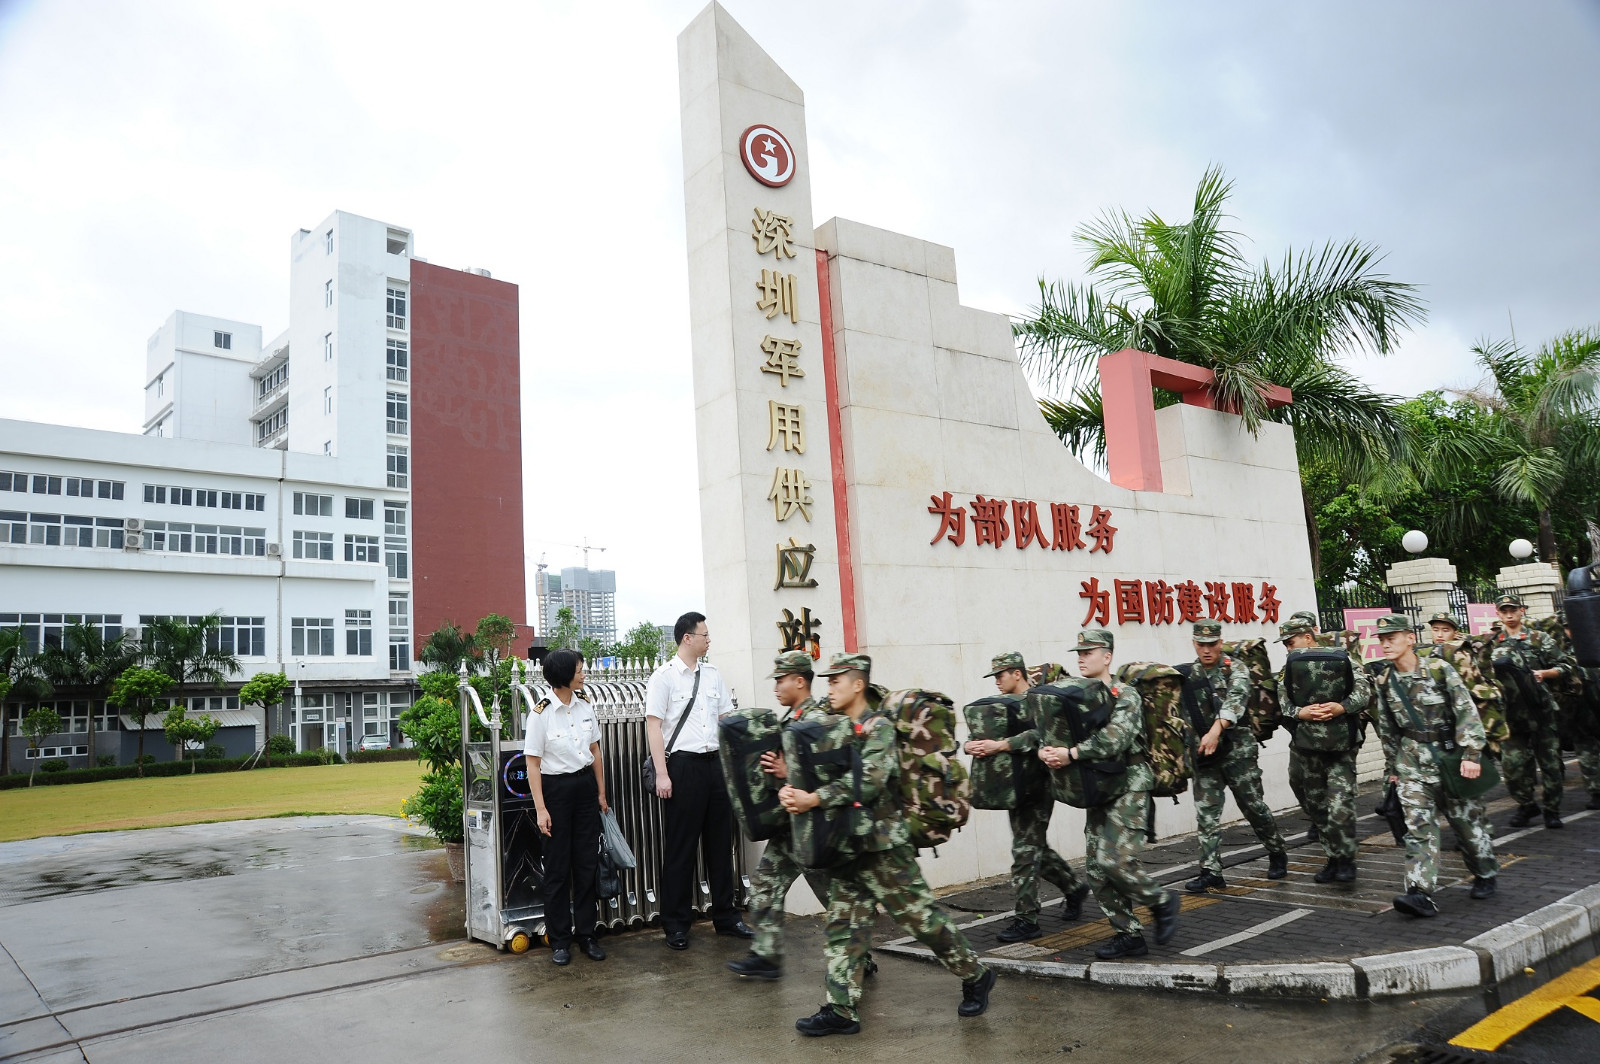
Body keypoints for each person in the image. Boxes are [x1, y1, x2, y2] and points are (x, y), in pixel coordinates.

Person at [779, 652, 993, 1036]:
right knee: (844, 925)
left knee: (923, 921)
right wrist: (792, 785)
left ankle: (975, 973)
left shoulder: (878, 728)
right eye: (827, 681)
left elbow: (870, 782)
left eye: (836, 680)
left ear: (857, 684)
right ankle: (841, 1010)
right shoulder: (838, 726)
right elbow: (823, 773)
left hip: (883, 847)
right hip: (850, 846)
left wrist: (814, 799)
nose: (829, 687)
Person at [1038, 629, 1180, 959]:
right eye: (1079, 652)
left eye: (1089, 652)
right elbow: (1054, 733)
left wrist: (1070, 754)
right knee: (1096, 869)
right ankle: (1128, 933)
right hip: (1100, 785)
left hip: (1130, 783)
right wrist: (1046, 752)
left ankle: (1161, 901)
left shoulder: (1125, 694)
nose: (1081, 657)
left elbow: (1115, 740)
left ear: (1107, 657)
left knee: (1113, 859)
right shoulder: (1080, 695)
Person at [727, 650, 865, 979]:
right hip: (791, 828)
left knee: (835, 899)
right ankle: (766, 955)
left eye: (781, 679)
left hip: (815, 829)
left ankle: (859, 954)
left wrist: (788, 770)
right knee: (765, 884)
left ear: (800, 681)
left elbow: (838, 772)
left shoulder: (821, 720)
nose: (776, 686)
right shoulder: (790, 721)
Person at [1370, 614, 1499, 916]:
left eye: (1392, 637)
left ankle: (1485, 871)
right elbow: (1388, 728)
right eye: (1382, 639)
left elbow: (1466, 711)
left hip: (1449, 760)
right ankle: (1419, 892)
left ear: (1409, 639)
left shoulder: (1440, 670)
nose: (1386, 644)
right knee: (1419, 830)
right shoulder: (1385, 680)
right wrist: (1392, 771)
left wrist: (1471, 754)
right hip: (1411, 766)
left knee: (1467, 825)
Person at [965, 651, 1090, 942]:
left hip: (1039, 784)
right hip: (1013, 786)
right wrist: (971, 746)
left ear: (1017, 673)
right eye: (995, 676)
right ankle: (1073, 887)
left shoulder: (1039, 699)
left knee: (1024, 851)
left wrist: (1000, 746)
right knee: (1034, 848)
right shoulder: (1003, 704)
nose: (997, 680)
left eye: (1001, 674)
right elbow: (987, 735)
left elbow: (1040, 735)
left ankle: (1027, 919)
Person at [645, 612, 752, 949]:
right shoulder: (663, 677)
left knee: (722, 845)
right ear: (687, 638)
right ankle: (675, 924)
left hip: (715, 765)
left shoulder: (713, 675)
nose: (709, 640)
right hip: (683, 767)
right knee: (681, 847)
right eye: (704, 635)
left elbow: (725, 719)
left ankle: (727, 916)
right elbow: (653, 727)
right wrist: (662, 773)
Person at [1182, 621, 1289, 892]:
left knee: (1253, 806)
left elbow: (1235, 701)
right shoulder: (1187, 674)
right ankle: (1211, 871)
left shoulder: (1235, 669)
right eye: (1201, 645)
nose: (1206, 650)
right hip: (1205, 754)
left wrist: (1216, 730)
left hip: (1238, 751)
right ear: (1194, 644)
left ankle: (1276, 849)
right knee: (1206, 813)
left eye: (1211, 644)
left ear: (1220, 642)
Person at [524, 648, 608, 966]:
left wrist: (600, 793)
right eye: (578, 669)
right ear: (562, 675)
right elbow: (532, 765)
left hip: (585, 788)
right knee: (558, 870)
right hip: (556, 792)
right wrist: (541, 809)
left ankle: (587, 934)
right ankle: (560, 940)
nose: (583, 673)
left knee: (587, 865)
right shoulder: (540, 713)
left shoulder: (585, 704)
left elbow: (595, 750)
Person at [1278, 616, 1371, 884]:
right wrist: (1300, 712)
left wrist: (1341, 707)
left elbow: (1363, 693)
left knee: (1340, 804)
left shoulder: (1343, 660)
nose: (1288, 649)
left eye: (1291, 642)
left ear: (1308, 637)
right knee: (1316, 805)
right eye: (1285, 644)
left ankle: (1347, 860)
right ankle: (1332, 856)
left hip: (1341, 746)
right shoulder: (1290, 668)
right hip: (1308, 747)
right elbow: (1282, 701)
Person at [1490, 594, 1576, 828]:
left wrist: (1544, 674)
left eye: (1513, 610)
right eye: (1504, 611)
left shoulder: (1539, 639)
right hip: (1511, 716)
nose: (1509, 615)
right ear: (1498, 613)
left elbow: (1566, 666)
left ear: (1522, 611)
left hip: (1541, 712)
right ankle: (1526, 805)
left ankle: (1551, 809)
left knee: (1550, 765)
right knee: (1513, 768)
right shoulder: (1492, 643)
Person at [1285, 609, 1324, 844]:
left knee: (1334, 789)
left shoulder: (1337, 655)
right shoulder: (1291, 663)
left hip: (1335, 736)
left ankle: (1336, 840)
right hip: (1303, 734)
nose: (1289, 648)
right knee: (1297, 778)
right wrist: (1298, 713)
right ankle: (1317, 819)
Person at [1561, 617, 1600, 810]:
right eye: (1568, 627)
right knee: (1587, 754)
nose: (1572, 631)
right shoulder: (1563, 653)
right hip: (1581, 712)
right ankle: (1596, 791)